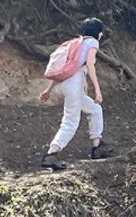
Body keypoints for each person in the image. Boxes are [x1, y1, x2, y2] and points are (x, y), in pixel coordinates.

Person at [39, 18, 111, 169]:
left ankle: (97, 146)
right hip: (73, 85)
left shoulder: (74, 43)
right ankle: (51, 154)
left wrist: (49, 90)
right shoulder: (92, 42)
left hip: (63, 84)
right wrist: (97, 89)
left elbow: (63, 71)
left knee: (95, 109)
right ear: (98, 33)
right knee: (70, 122)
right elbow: (90, 64)